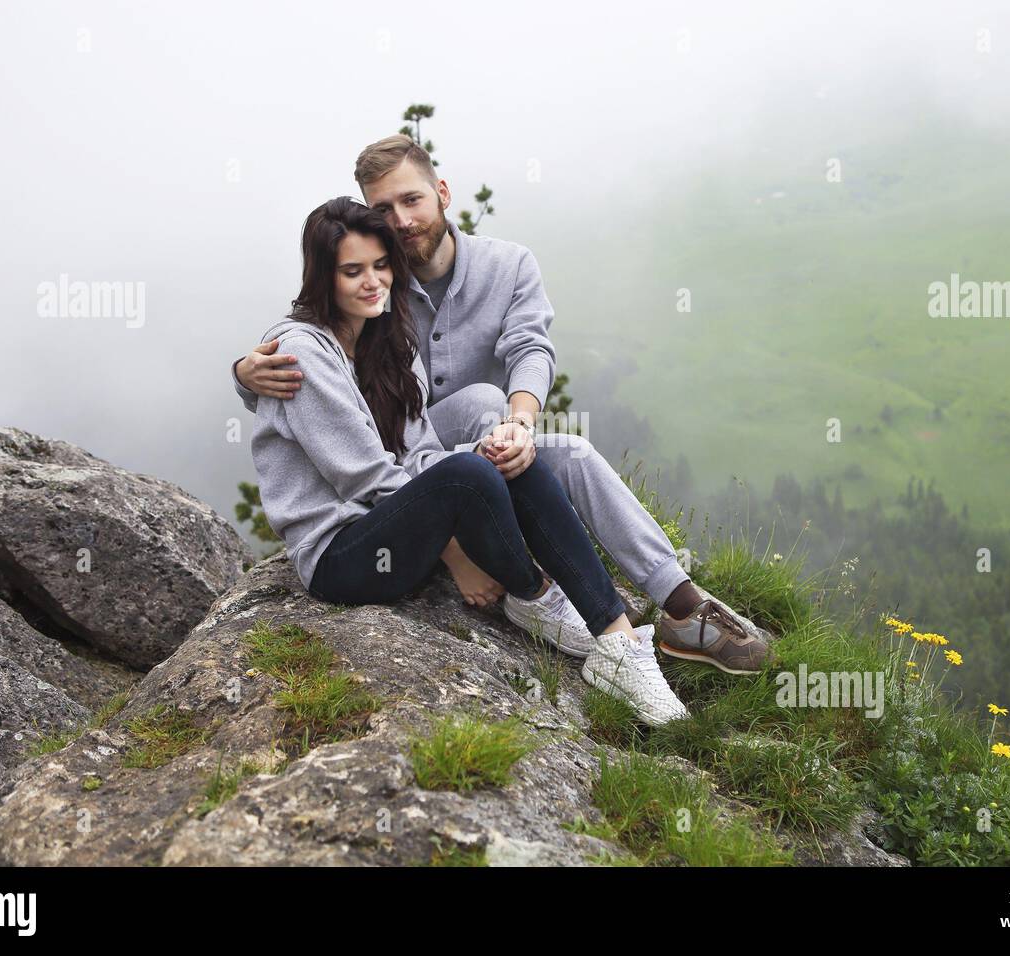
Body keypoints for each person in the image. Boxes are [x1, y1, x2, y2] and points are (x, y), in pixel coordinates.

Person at [235, 134, 773, 675]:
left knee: (561, 448)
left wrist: (519, 422)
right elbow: (316, 359)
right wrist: (244, 374)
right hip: (398, 465)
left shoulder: (507, 265)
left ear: (442, 192)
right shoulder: (374, 282)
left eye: (411, 200)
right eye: (383, 209)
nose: (400, 220)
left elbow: (530, 347)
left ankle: (682, 606)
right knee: (480, 422)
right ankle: (514, 560)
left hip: (452, 447)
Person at [251, 196, 690, 726]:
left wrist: (477, 470)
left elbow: (419, 453)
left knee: (507, 454)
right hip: (340, 555)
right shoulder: (299, 355)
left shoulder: (387, 336)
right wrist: (457, 552)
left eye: (381, 265)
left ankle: (617, 644)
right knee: (470, 474)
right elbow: (363, 477)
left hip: (390, 526)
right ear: (323, 277)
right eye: (352, 271)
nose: (373, 282)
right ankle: (532, 591)